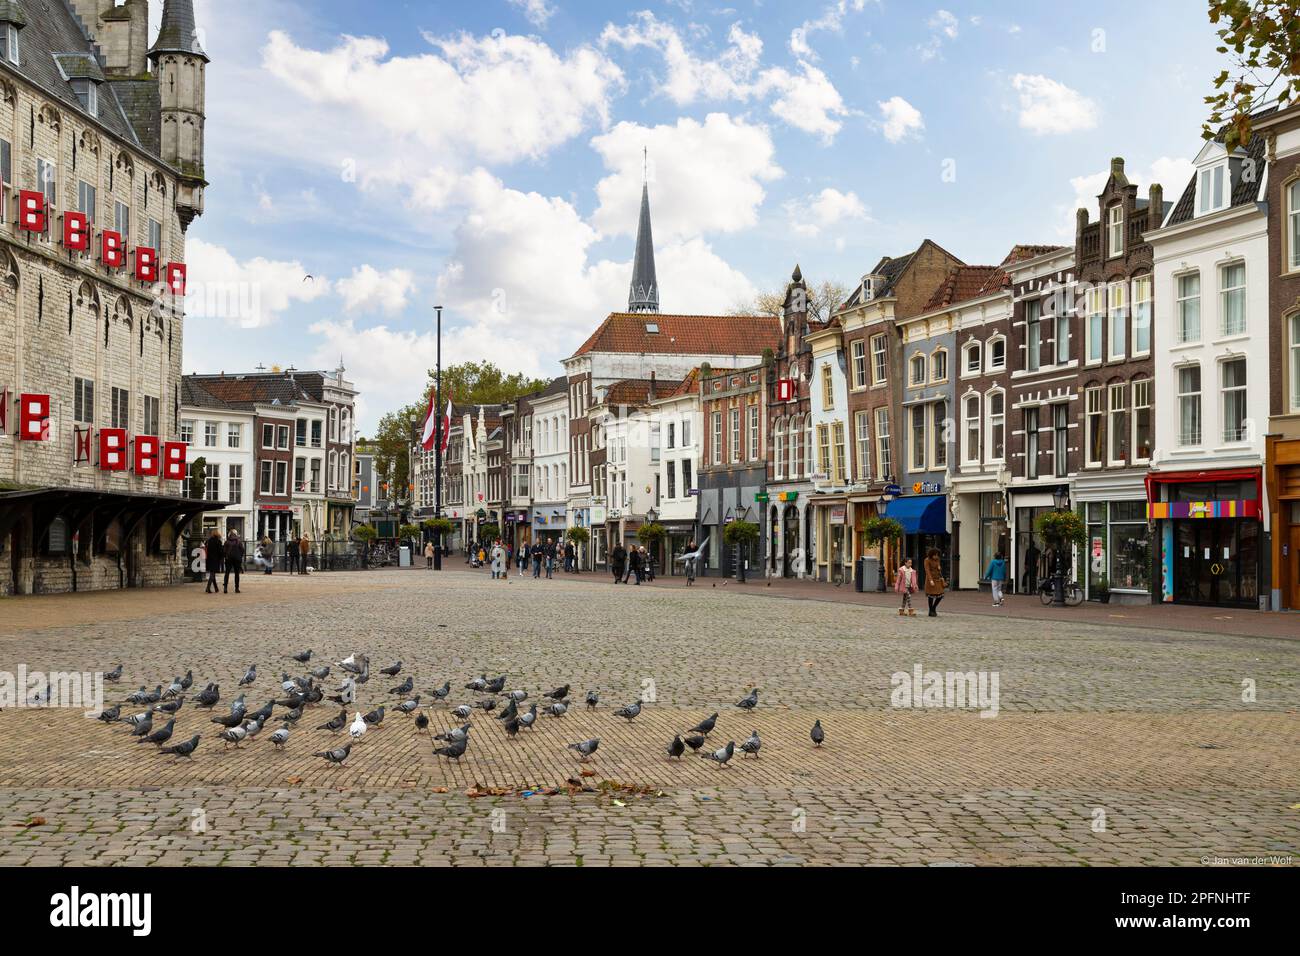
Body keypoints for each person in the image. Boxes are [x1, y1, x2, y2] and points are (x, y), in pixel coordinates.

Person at [924, 548, 947, 617]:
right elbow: (927, 571)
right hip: (930, 579)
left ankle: (933, 608)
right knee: (931, 596)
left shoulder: (937, 559)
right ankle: (931, 611)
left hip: (937, 579)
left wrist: (939, 568)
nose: (936, 557)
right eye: (935, 555)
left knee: (940, 595)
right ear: (931, 555)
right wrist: (930, 580)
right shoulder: (927, 560)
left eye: (937, 555)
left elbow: (938, 568)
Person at [204, 529, 224, 594]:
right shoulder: (218, 541)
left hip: (209, 559)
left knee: (213, 573)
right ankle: (208, 588)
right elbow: (220, 551)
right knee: (212, 574)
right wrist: (221, 557)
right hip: (215, 559)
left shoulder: (209, 541)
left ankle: (216, 588)